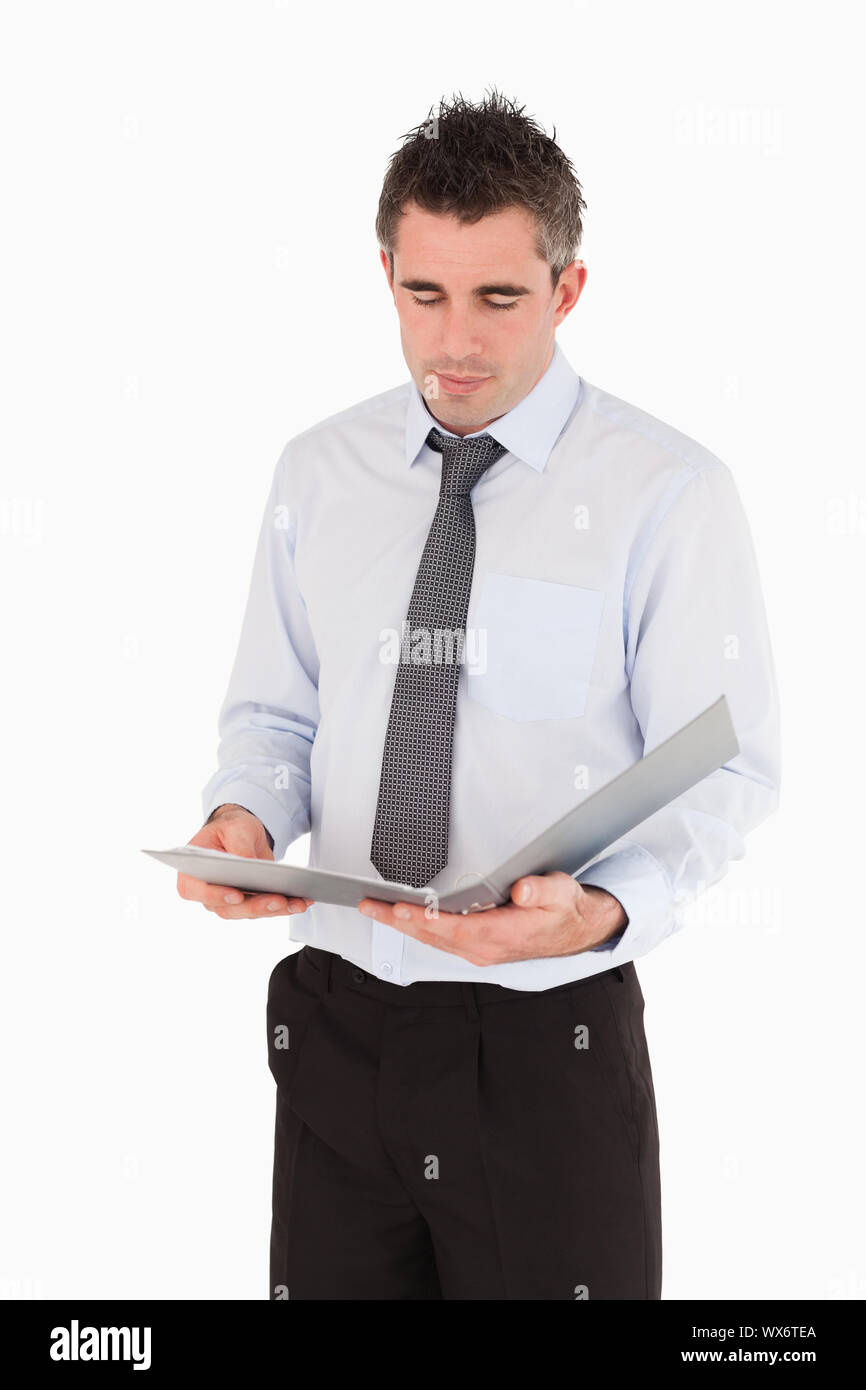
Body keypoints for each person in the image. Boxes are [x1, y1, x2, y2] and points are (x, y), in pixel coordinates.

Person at [177, 91, 781, 1300]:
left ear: (565, 290)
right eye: (424, 293)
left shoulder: (667, 494)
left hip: (539, 1038)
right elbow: (275, 716)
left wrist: (604, 913)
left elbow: (724, 766)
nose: (455, 340)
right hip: (335, 1024)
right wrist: (243, 817)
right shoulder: (319, 471)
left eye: (498, 298)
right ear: (386, 272)